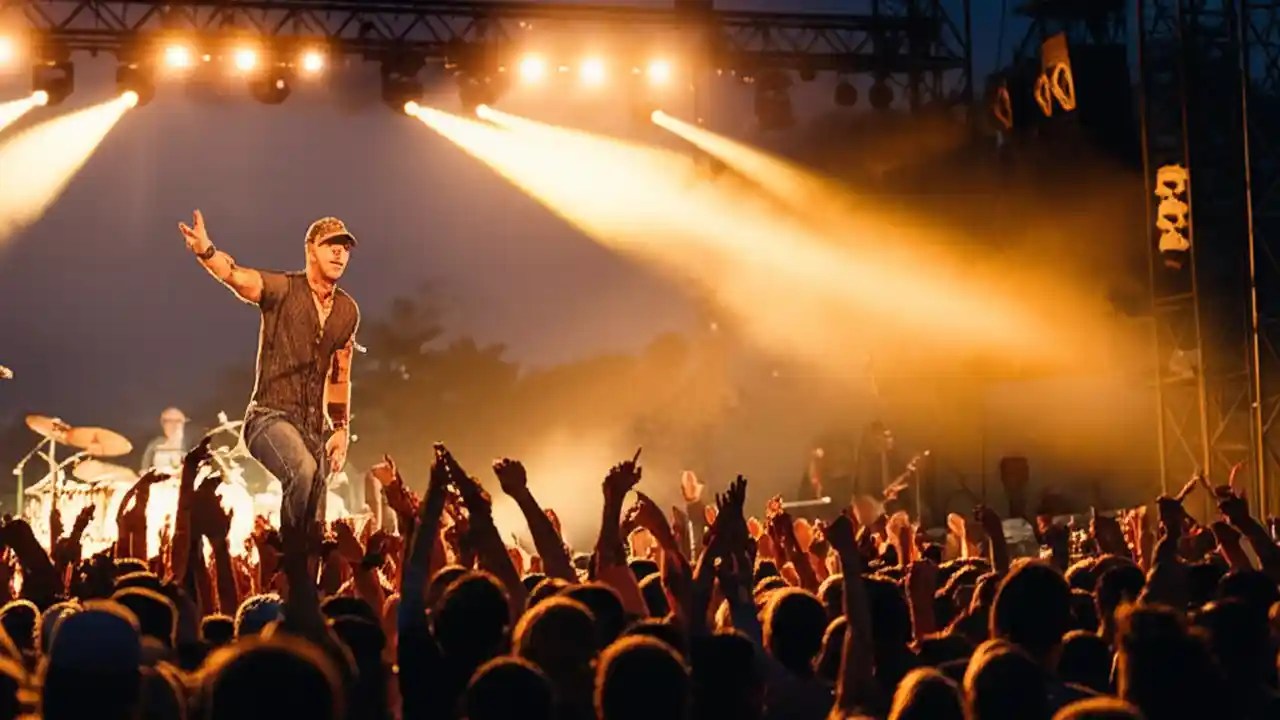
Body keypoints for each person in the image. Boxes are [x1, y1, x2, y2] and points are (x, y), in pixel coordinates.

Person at [179, 210, 360, 547]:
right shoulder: (282, 288)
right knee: (302, 472)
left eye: (345, 247)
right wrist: (206, 251)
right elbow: (235, 276)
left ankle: (304, 583)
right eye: (331, 245)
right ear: (310, 250)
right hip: (267, 417)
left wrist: (340, 428)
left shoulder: (347, 311)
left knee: (316, 516)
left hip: (313, 427)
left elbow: (340, 374)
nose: (339, 253)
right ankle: (290, 556)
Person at [139, 407, 189, 474]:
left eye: (178, 421)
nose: (173, 425)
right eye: (169, 421)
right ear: (163, 424)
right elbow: (145, 468)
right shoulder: (155, 444)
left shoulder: (191, 445)